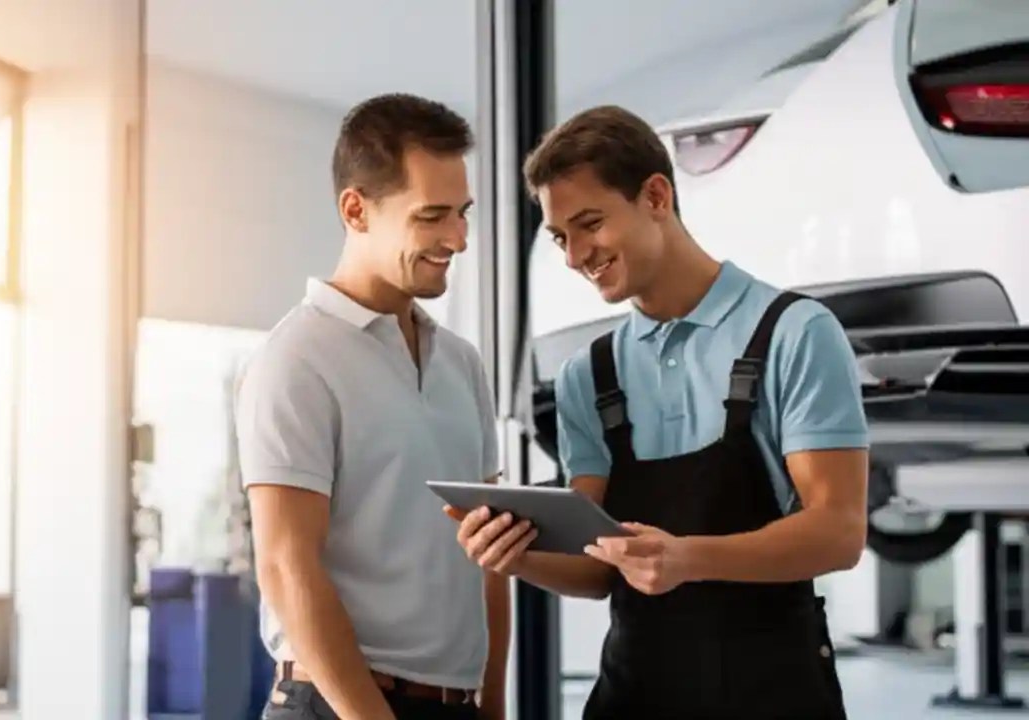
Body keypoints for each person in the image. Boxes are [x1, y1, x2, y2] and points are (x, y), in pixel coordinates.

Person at [451, 105, 869, 719]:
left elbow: (838, 531)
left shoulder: (795, 333)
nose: (575, 256)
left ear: (655, 195)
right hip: (634, 696)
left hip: (774, 692)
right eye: (561, 237)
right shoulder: (586, 377)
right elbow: (598, 572)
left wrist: (688, 559)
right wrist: (516, 556)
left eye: (589, 224)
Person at [236, 93, 508, 720]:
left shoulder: (463, 364)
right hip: (339, 704)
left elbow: (489, 559)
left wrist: (493, 706)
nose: (458, 239)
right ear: (356, 210)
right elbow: (285, 565)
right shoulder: (296, 359)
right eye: (432, 216)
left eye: (462, 214)